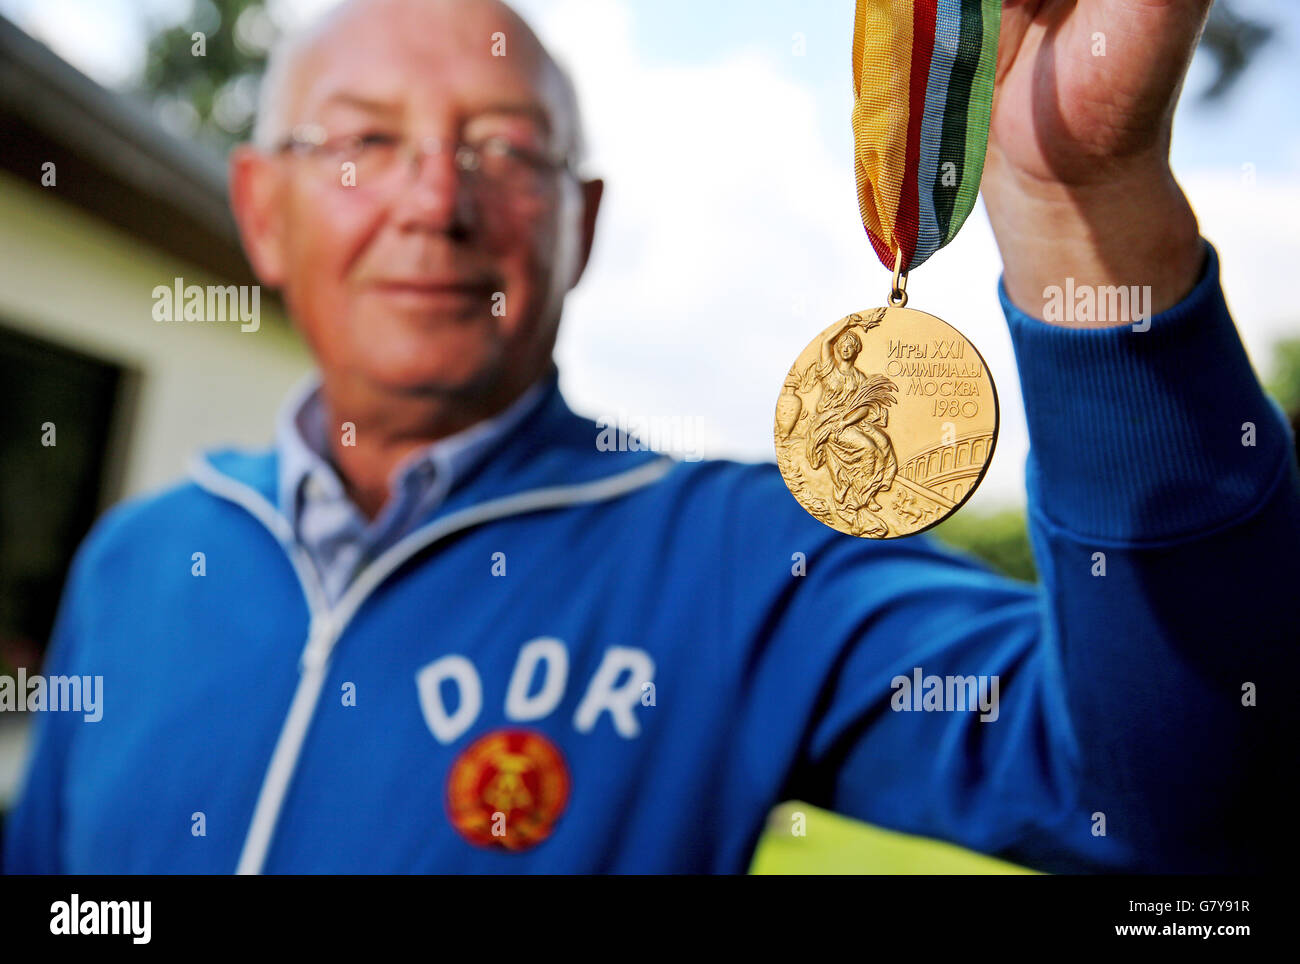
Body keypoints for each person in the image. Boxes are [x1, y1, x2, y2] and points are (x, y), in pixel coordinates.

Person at [5, 0, 1296, 874]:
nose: (433, 203)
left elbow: (1173, 799)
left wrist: (1085, 199)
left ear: (583, 219)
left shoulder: (752, 567)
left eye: (504, 151)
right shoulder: (140, 557)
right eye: (358, 146)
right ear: (262, 211)